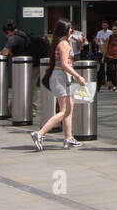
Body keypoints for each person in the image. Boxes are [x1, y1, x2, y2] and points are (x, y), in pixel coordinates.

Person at [31, 19, 87, 151]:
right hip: (61, 77)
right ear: (65, 30)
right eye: (70, 29)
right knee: (64, 110)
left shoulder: (64, 42)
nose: (72, 31)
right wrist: (78, 76)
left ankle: (68, 138)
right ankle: (39, 134)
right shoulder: (63, 44)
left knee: (69, 107)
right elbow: (64, 64)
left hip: (62, 77)